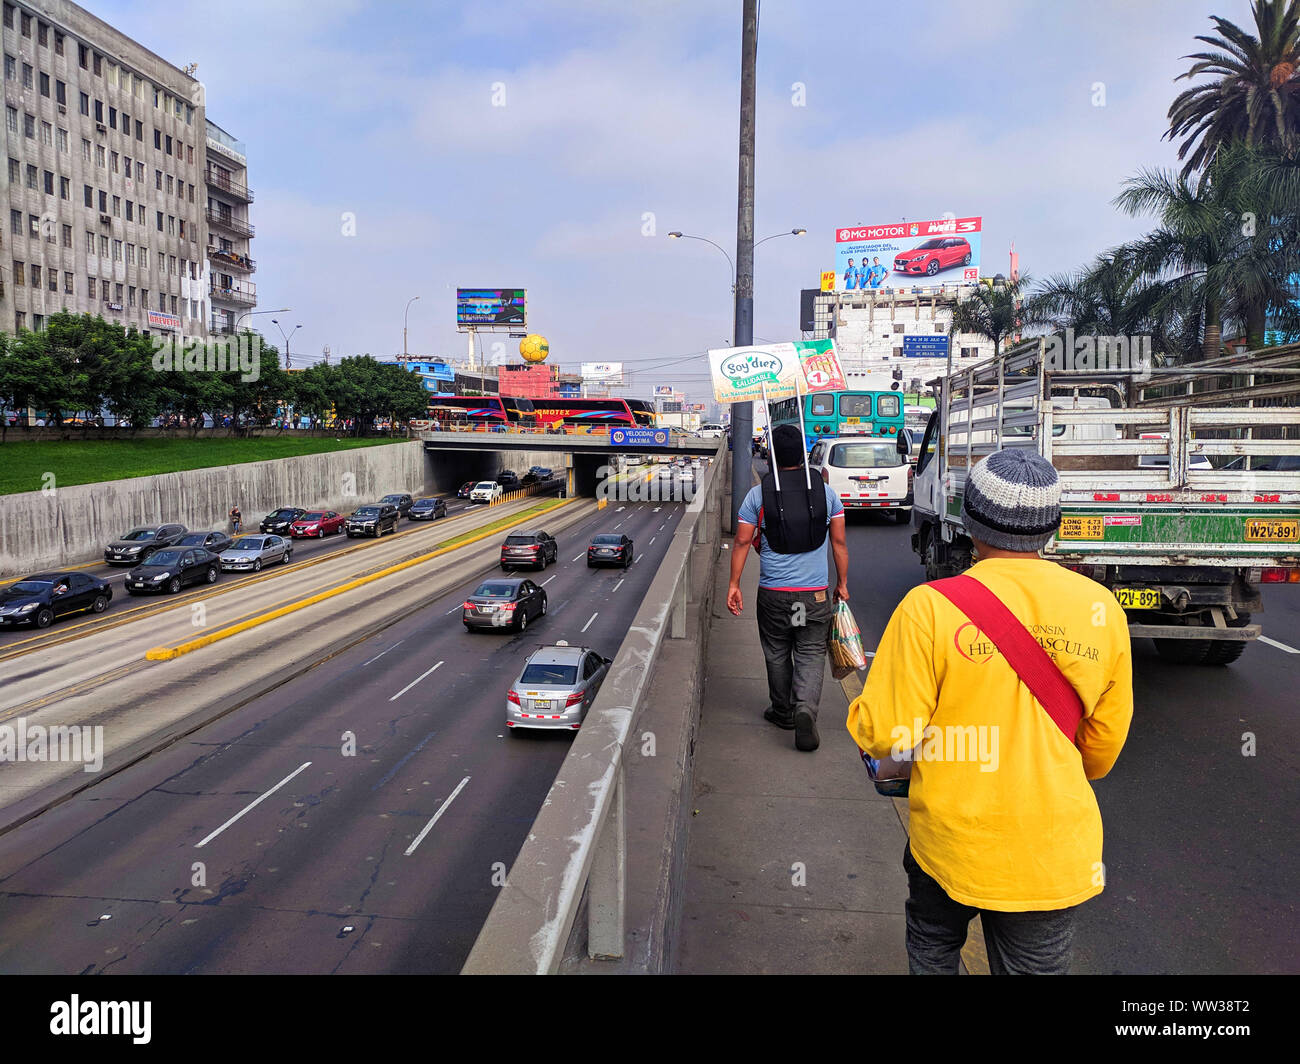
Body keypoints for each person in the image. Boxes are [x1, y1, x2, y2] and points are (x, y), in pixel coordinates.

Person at [847, 448, 1133, 975]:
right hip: (1051, 847)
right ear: (1054, 527)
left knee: (934, 948)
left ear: (968, 519)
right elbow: (1101, 750)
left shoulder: (929, 607)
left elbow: (887, 733)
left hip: (950, 841)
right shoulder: (1102, 610)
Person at [728, 423, 849, 753]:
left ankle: (782, 711)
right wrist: (843, 584)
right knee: (810, 652)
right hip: (816, 595)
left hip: (774, 594)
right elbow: (838, 543)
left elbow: (741, 541)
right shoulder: (826, 493)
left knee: (777, 652)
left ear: (772, 455)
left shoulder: (758, 495)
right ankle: (805, 709)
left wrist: (734, 584)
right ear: (802, 454)